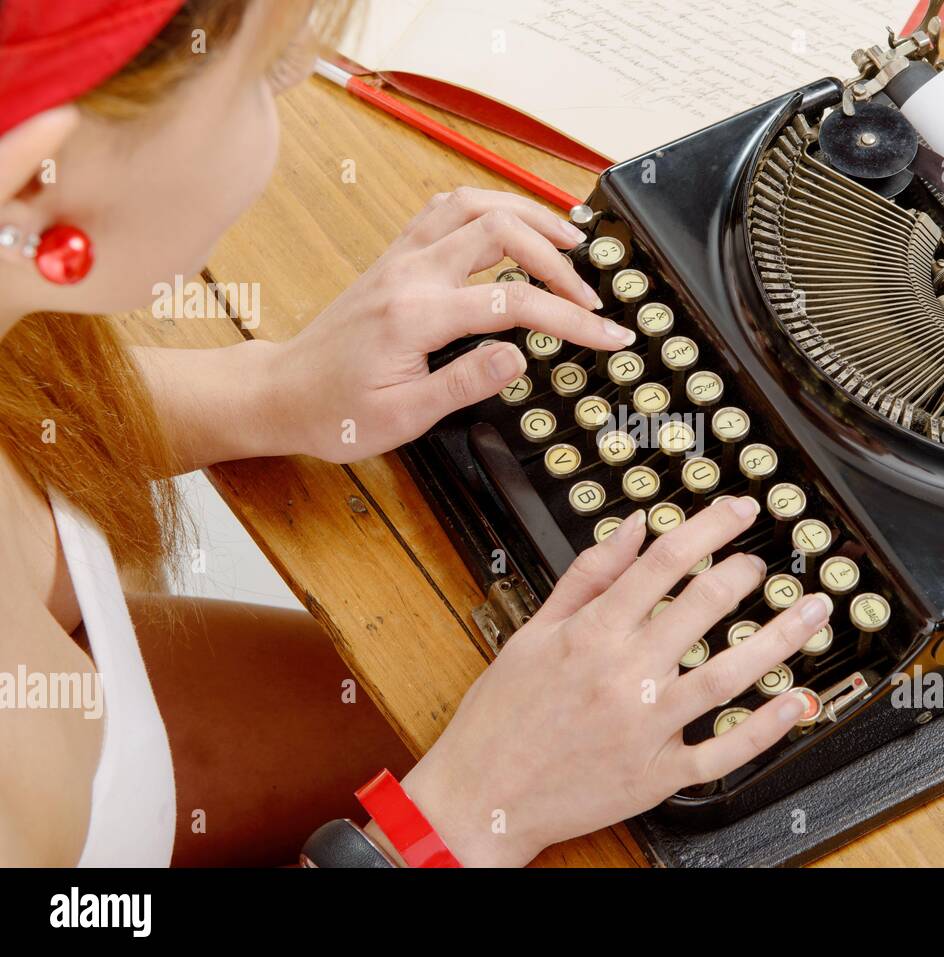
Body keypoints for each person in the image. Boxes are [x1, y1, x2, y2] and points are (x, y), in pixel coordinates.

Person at [0, 0, 831, 867]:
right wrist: (464, 818)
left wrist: (268, 387)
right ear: (32, 180)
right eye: (259, 77)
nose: (289, 86)